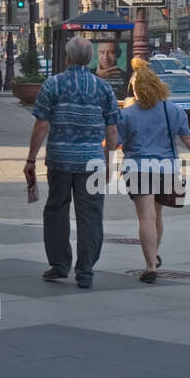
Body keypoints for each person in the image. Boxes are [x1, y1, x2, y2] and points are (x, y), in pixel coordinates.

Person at [24, 36, 120, 289]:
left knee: (56, 211)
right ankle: (85, 271)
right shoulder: (103, 88)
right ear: (89, 59)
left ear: (67, 58)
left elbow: (41, 125)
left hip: (60, 160)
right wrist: (111, 161)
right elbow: (112, 130)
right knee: (91, 215)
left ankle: (59, 264)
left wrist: (31, 158)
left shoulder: (52, 84)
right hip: (92, 162)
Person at [116, 65, 190, 282]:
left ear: (137, 89)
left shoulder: (127, 114)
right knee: (157, 215)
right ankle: (154, 255)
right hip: (166, 170)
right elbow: (188, 137)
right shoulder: (172, 110)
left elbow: (115, 142)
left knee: (145, 217)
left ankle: (151, 265)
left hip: (138, 168)